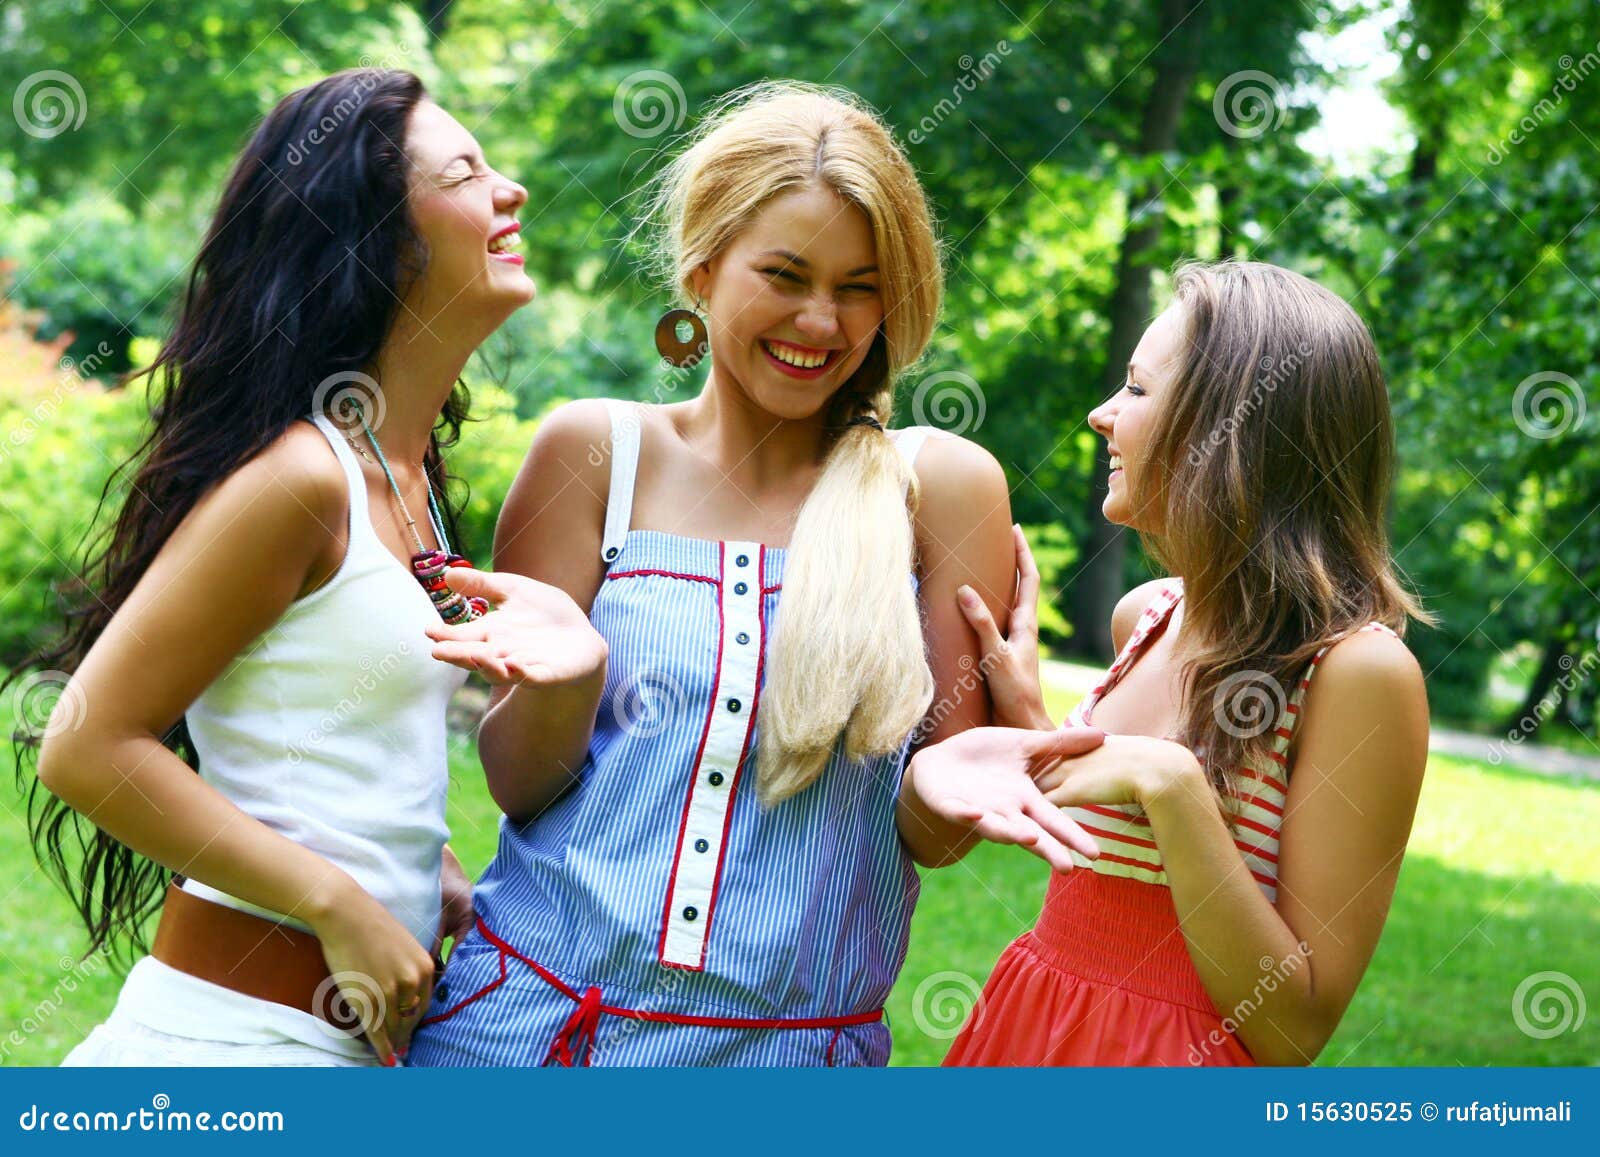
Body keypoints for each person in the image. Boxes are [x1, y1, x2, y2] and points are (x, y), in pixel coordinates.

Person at [405, 81, 1102, 1068]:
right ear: (702, 264)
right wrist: (566, 677)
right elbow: (520, 783)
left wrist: (977, 760)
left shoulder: (940, 487)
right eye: (785, 273)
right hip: (528, 1034)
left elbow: (933, 836)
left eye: (860, 285)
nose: (821, 319)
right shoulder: (593, 452)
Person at [14, 68, 534, 1066]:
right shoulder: (300, 479)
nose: (508, 189)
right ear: (376, 233)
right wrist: (336, 899)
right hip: (229, 1048)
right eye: (466, 171)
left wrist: (421, 875)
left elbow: (309, 740)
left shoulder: (403, 471)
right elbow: (83, 743)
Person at [944, 260, 1431, 1066]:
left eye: (1136, 391)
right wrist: (1032, 718)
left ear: (1230, 428)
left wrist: (1173, 787)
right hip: (1033, 1030)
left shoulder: (1357, 674)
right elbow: (1109, 873)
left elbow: (1291, 1029)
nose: (1102, 415)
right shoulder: (1147, 616)